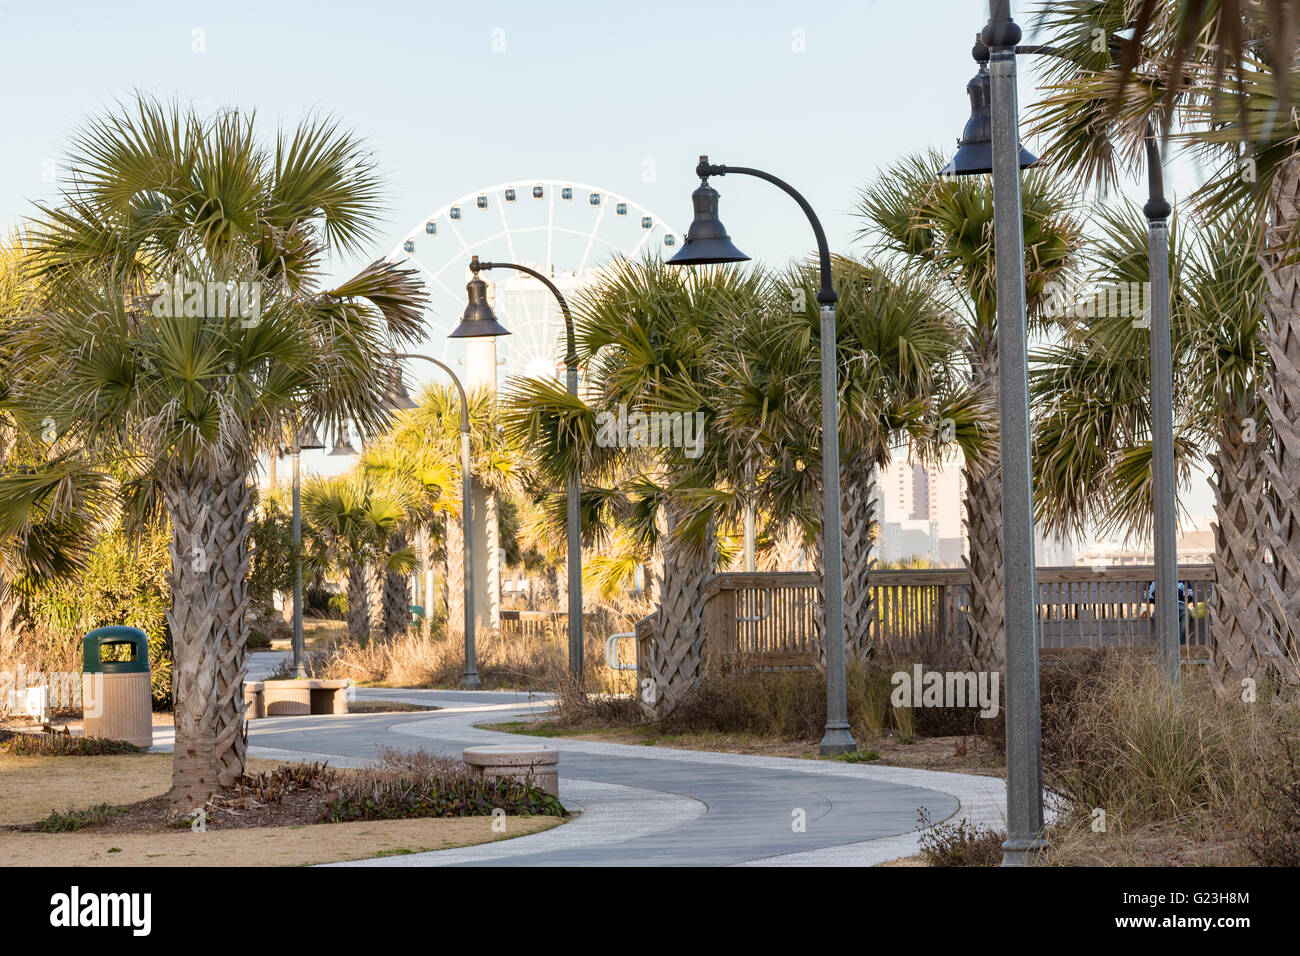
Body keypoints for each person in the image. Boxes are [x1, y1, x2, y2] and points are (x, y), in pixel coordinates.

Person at [1146, 580, 1189, 645]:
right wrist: (1161, 593)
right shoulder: (1152, 580)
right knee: (1156, 616)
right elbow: (1147, 596)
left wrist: (1175, 591)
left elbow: (1189, 596)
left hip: (1180, 605)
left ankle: (1180, 645)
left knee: (1187, 615)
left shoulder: (1183, 579)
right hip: (1161, 605)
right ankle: (1163, 645)